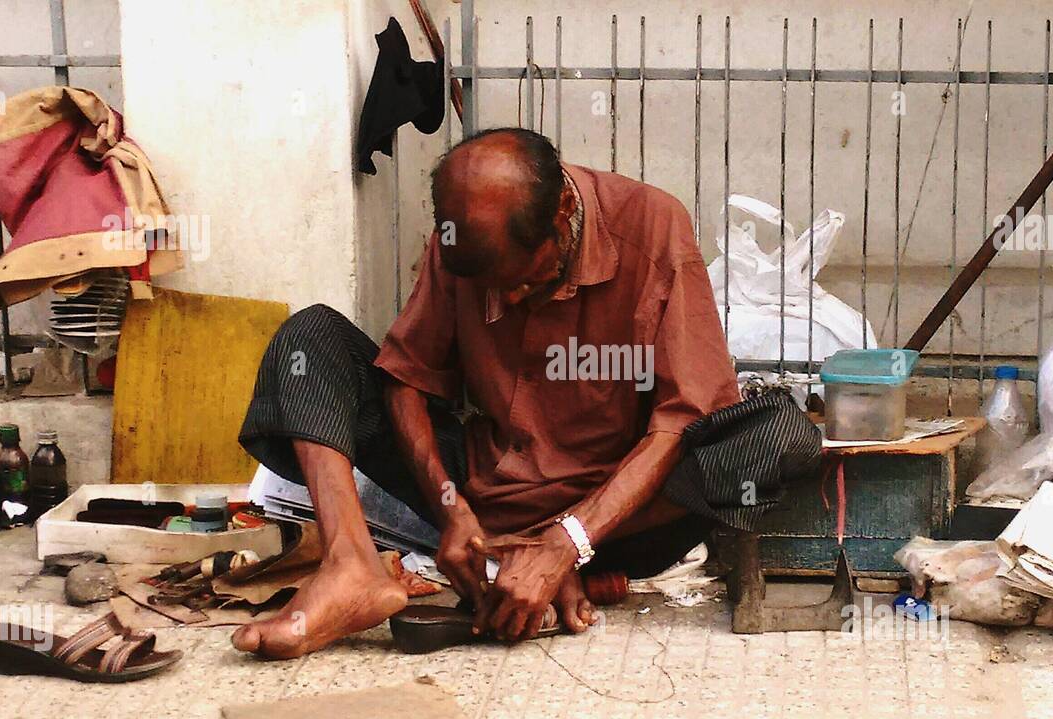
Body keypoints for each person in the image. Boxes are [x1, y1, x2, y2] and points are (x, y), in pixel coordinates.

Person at [231, 127, 818, 659]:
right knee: (311, 338)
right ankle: (350, 563)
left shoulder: (653, 226)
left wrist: (567, 542)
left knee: (780, 432)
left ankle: (558, 562)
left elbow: (679, 418)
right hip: (483, 503)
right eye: (489, 289)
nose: (506, 303)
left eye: (524, 281)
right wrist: (449, 507)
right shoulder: (458, 244)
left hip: (612, 517)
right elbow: (407, 377)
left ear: (565, 210)